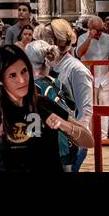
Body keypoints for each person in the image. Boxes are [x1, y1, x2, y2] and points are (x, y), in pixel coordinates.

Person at [0, 44, 92, 172]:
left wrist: (64, 125)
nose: (22, 80)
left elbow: (89, 141)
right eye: (12, 75)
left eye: (24, 71)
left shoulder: (45, 104)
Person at [37, 18, 96, 170]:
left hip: (70, 141)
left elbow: (85, 111)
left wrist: (76, 139)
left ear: (58, 41)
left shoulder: (77, 70)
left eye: (46, 39)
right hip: (52, 140)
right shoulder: (47, 65)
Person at [25, 40, 75, 169]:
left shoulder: (29, 89)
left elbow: (32, 128)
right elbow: (72, 108)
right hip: (64, 145)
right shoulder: (58, 83)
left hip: (41, 151)